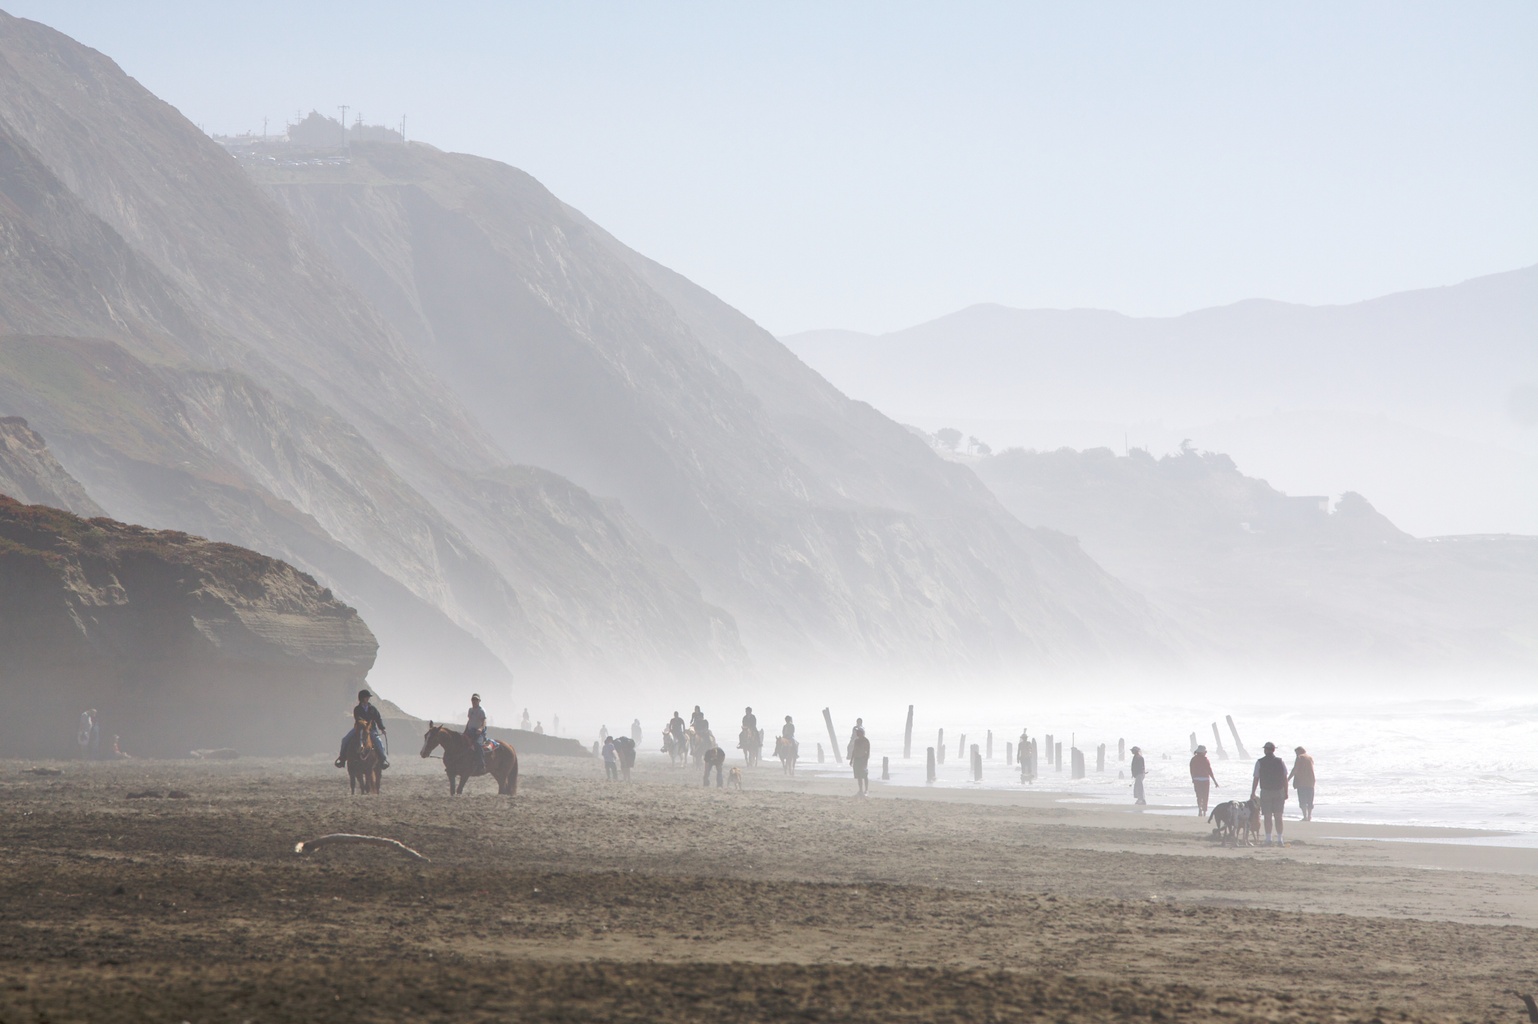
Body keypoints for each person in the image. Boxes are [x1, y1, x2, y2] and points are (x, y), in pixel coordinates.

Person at [336, 690, 388, 769]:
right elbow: (357, 718)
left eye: (368, 697)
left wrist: (382, 728)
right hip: (359, 728)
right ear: (362, 698)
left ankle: (383, 760)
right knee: (345, 739)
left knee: (378, 741)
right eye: (366, 697)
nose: (368, 699)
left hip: (371, 730)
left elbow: (378, 719)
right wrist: (363, 724)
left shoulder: (373, 709)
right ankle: (342, 759)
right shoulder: (357, 709)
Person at [1251, 741, 1289, 845]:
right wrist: (1286, 791)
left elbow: (1256, 778)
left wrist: (1253, 792)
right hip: (1279, 791)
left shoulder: (1260, 762)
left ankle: (1268, 838)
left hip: (1266, 791)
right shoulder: (1280, 761)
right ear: (1273, 750)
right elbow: (1285, 778)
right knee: (1278, 816)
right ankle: (1280, 839)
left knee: (1267, 816)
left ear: (1265, 750)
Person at [1189, 744, 1218, 816]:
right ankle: (1204, 811)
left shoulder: (1193, 759)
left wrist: (1192, 778)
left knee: (1199, 796)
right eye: (1205, 752)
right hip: (1205, 780)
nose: (1206, 753)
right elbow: (1209, 771)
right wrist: (1214, 781)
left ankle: (1200, 809)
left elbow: (1191, 770)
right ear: (1202, 752)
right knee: (1205, 796)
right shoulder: (1205, 760)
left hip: (1196, 780)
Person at [1289, 746, 1316, 822]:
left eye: (1296, 753)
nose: (1296, 755)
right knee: (1310, 800)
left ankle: (1305, 816)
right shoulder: (1310, 758)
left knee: (1302, 800)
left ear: (1299, 751)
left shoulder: (1300, 757)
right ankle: (1309, 816)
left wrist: (1287, 779)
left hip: (1302, 782)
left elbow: (1295, 769)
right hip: (1311, 782)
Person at [465, 694, 488, 771]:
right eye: (473, 700)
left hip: (479, 732)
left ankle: (481, 764)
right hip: (470, 731)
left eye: (476, 700)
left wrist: (481, 728)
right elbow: (470, 721)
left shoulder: (481, 711)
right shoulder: (470, 710)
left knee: (477, 745)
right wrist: (465, 730)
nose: (474, 701)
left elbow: (484, 721)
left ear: (479, 701)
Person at [849, 726, 872, 796]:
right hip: (857, 759)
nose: (856, 733)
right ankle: (860, 790)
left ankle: (866, 790)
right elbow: (854, 750)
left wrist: (865, 761)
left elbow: (867, 752)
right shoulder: (856, 741)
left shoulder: (866, 741)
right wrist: (851, 759)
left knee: (864, 775)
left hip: (862, 759)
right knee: (858, 776)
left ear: (861, 733)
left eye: (858, 732)